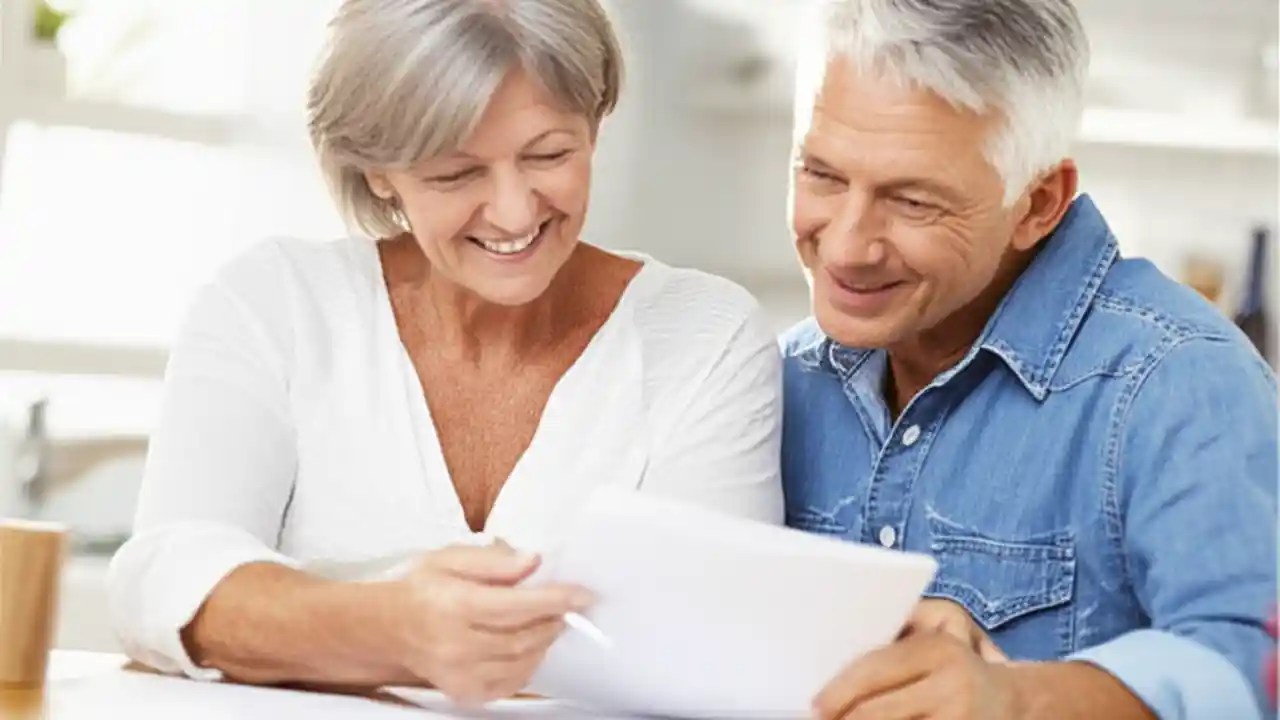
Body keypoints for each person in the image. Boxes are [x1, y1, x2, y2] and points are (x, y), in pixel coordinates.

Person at [107, 0, 783, 705]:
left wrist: (301, 625)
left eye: (549, 154)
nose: (515, 212)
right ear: (378, 172)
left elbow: (714, 645)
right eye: (456, 174)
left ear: (595, 123)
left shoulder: (705, 336)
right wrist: (394, 628)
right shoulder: (277, 305)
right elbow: (161, 585)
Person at [779, 1, 1278, 719]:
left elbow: (1254, 672)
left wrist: (1017, 700)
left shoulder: (1180, 381)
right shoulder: (783, 377)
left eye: (913, 200)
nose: (849, 246)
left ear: (1037, 203)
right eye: (821, 175)